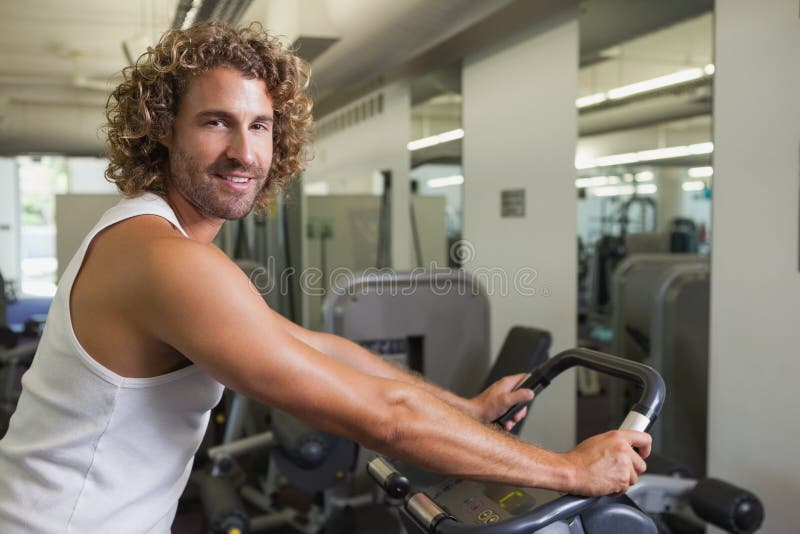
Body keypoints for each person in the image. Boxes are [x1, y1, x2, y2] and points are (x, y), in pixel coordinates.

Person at [0, 21, 650, 533]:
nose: (243, 151)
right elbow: (386, 420)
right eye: (215, 121)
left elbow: (317, 346)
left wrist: (469, 408)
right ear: (163, 130)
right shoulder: (162, 259)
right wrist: (569, 470)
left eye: (259, 125)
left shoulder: (164, 241)